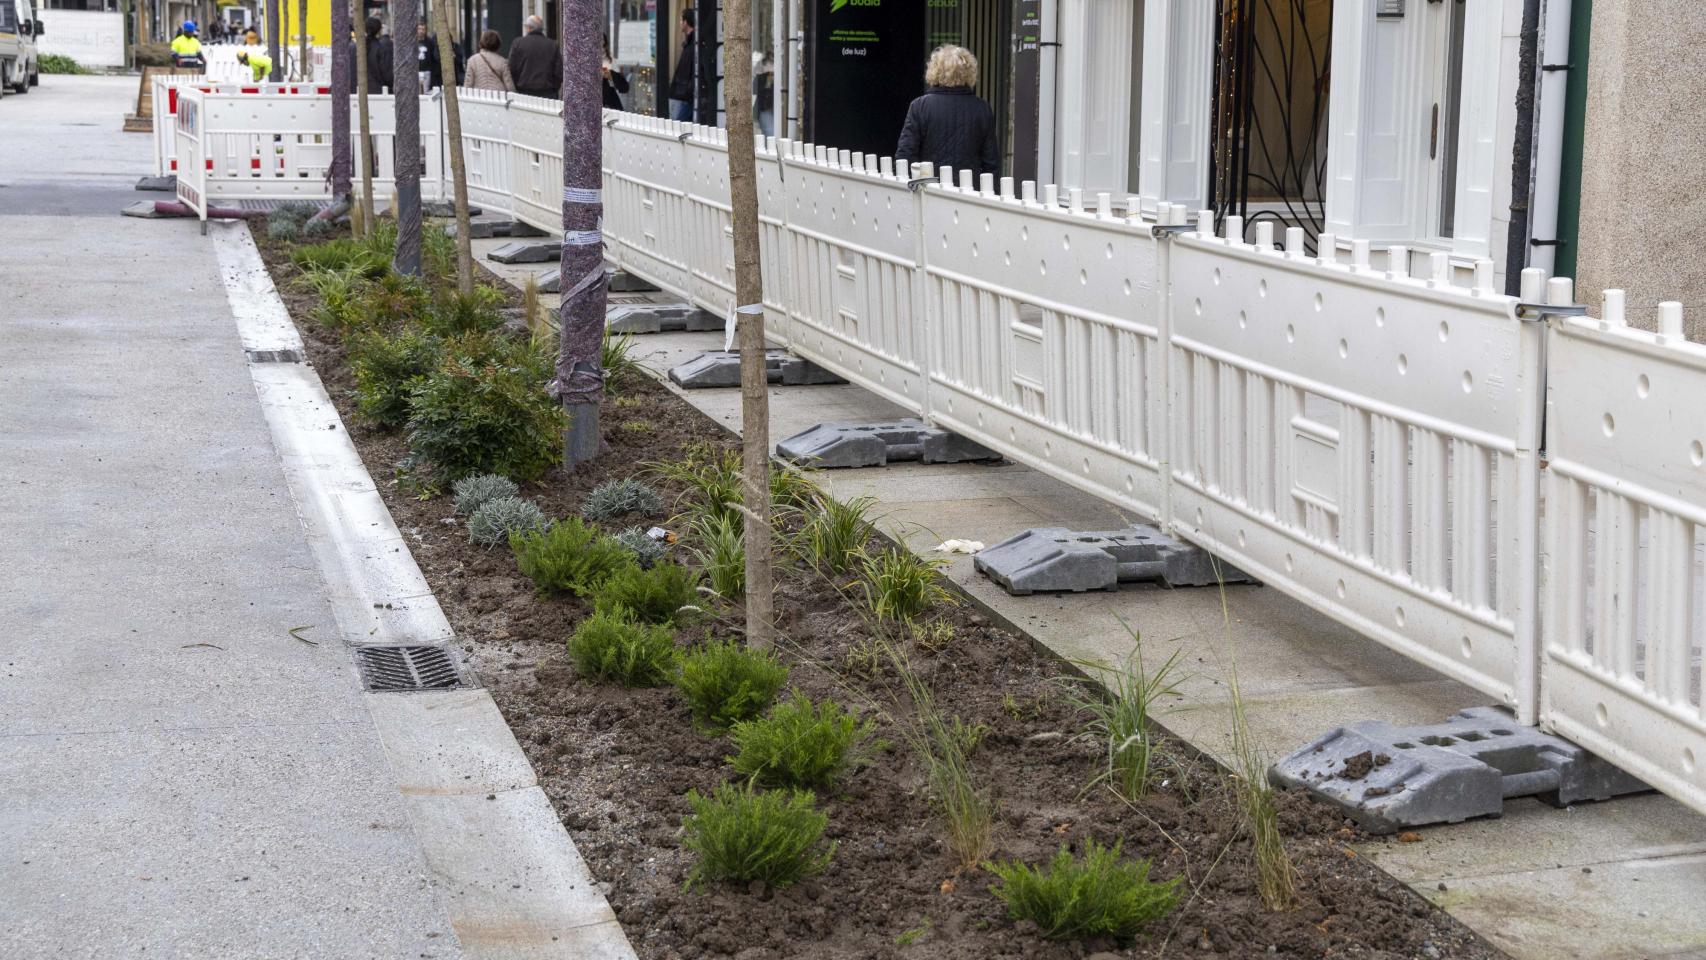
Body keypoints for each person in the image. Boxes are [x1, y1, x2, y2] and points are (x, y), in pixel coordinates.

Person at [895, 45, 998, 178]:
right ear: (969, 72)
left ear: (934, 71)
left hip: (929, 189)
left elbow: (905, 156)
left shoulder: (919, 106)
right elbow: (991, 163)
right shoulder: (982, 108)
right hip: (970, 192)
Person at [507, 14, 561, 100]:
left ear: (528, 28)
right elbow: (558, 71)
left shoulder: (518, 43)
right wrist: (554, 88)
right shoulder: (552, 45)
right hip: (548, 93)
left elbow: (511, 68)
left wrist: (516, 87)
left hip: (524, 92)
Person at [348, 15, 394, 94]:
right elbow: (388, 76)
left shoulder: (353, 48)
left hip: (355, 92)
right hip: (379, 93)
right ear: (379, 31)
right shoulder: (382, 49)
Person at [667, 9, 695, 121]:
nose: (679, 23)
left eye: (680, 20)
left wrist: (686, 92)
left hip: (684, 97)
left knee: (678, 128)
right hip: (682, 95)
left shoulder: (693, 45)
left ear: (685, 22)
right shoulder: (689, 44)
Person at [601, 37, 628, 109]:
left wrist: (610, 75)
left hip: (609, 103)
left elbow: (624, 88)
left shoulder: (612, 62)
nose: (601, 49)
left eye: (603, 45)